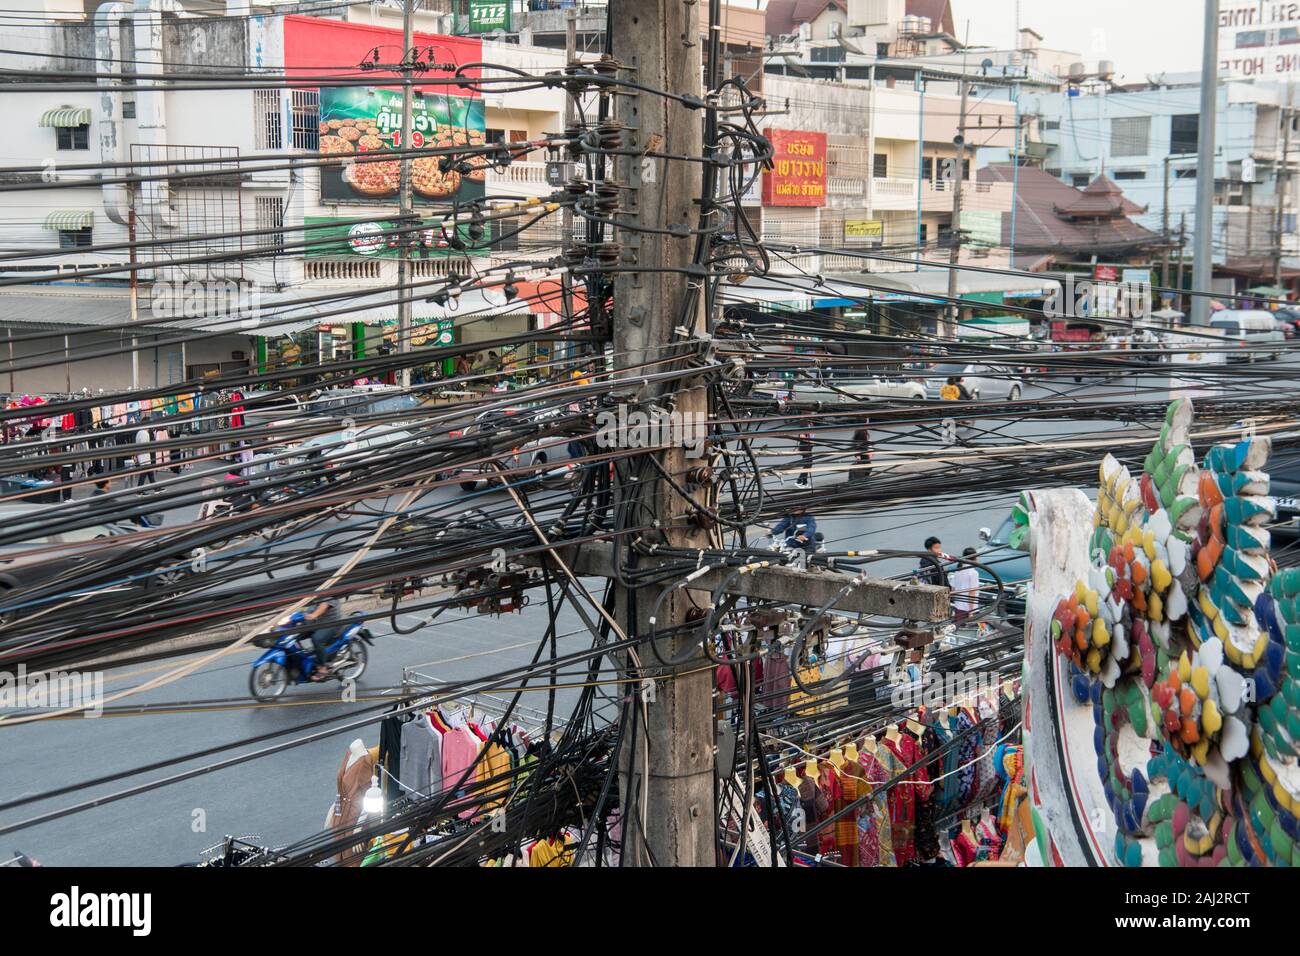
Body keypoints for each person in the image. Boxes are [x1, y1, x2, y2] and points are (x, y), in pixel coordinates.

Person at [301, 595, 346, 680]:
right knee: (297, 634)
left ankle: (323, 668)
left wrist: (314, 615)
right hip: (318, 622)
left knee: (317, 639)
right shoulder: (314, 591)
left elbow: (324, 605)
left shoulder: (330, 590)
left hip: (332, 623)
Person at [949, 547, 982, 624]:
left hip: (958, 607)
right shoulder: (973, 573)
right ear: (975, 558)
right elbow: (972, 593)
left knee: (958, 628)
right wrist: (971, 612)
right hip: (968, 609)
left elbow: (953, 589)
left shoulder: (958, 570)